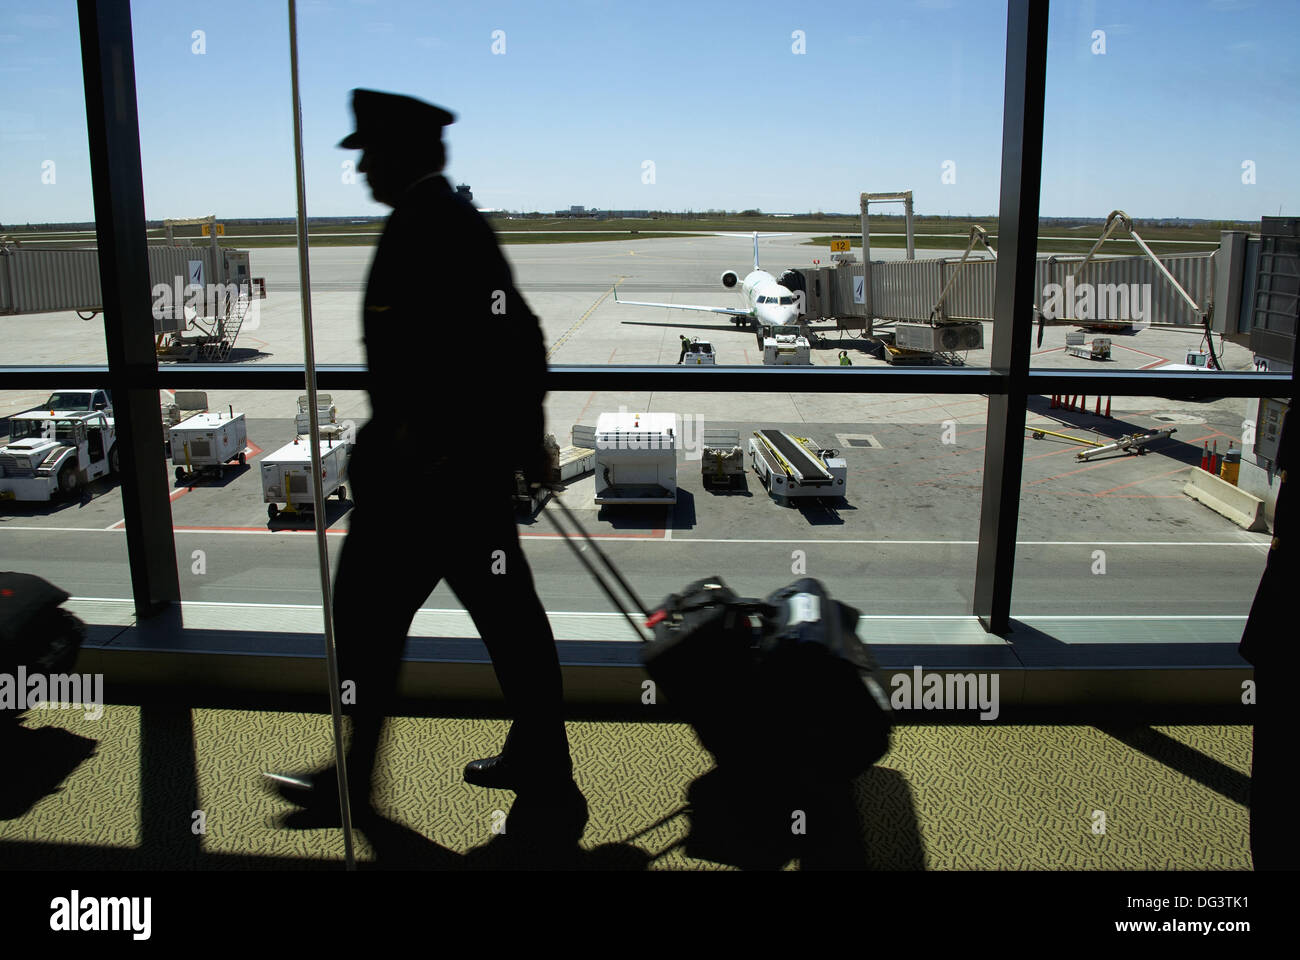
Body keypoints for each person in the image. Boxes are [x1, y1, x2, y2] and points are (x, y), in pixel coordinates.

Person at [265, 89, 585, 843]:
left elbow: (521, 340)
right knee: (501, 629)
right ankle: (539, 769)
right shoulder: (430, 220)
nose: (365, 166)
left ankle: (359, 780)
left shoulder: (437, 224)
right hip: (444, 483)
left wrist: (494, 443)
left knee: (385, 627)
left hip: (432, 489)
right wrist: (515, 440)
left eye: (371, 152)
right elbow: (505, 344)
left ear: (404, 155)